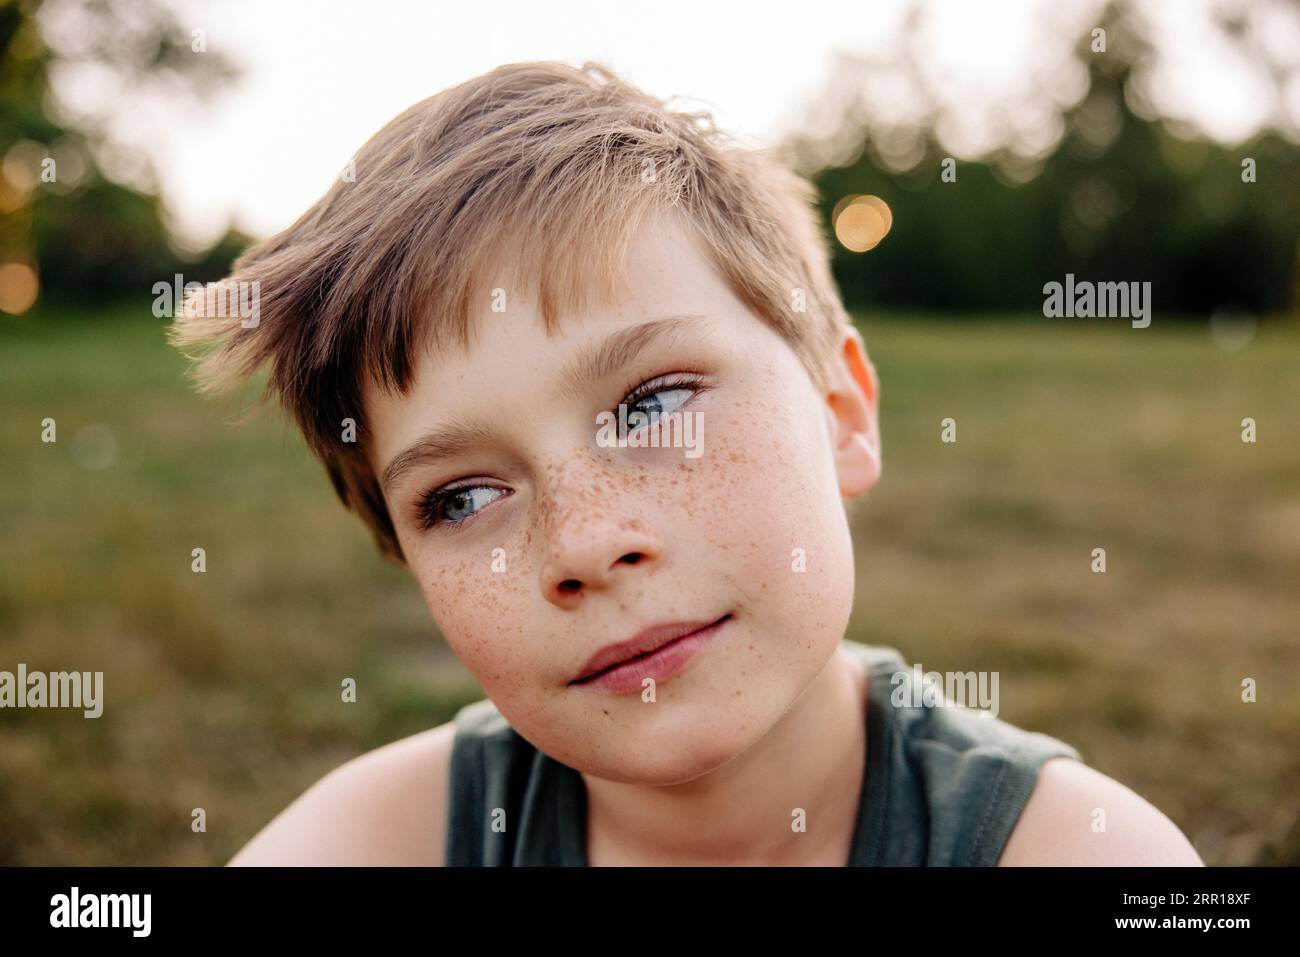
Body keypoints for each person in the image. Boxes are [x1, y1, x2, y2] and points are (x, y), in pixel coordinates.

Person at [171, 60, 1202, 866]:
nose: (584, 544)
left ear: (841, 413)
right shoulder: (386, 841)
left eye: (654, 402)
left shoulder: (1063, 852)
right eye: (463, 496)